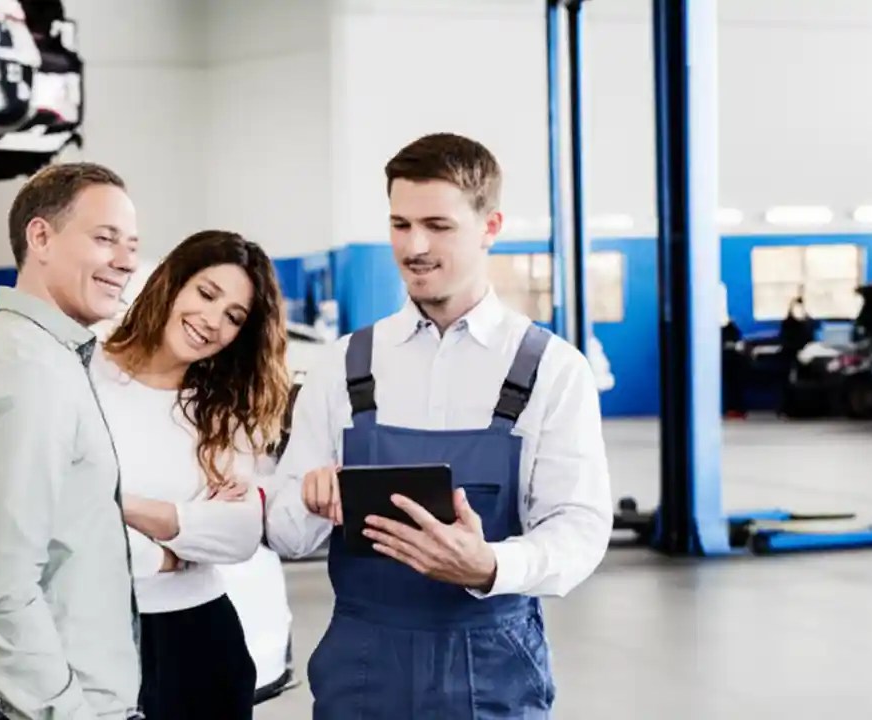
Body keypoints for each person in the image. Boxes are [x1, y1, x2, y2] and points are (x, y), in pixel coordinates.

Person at [263, 132, 614, 718]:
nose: (415, 246)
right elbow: (288, 533)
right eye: (400, 225)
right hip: (363, 663)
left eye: (438, 225)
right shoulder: (346, 364)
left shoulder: (552, 369)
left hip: (492, 660)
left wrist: (492, 565)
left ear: (490, 225)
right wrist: (307, 496)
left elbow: (580, 527)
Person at [0, 162, 144, 720]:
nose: (126, 260)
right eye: (105, 239)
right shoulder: (28, 370)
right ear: (40, 237)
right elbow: (0, 589)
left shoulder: (48, 356)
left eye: (131, 245)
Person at [90, 230, 291, 719]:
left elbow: (240, 535)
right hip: (98, 634)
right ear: (172, 282)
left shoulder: (222, 411)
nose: (211, 322)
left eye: (234, 318)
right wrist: (170, 552)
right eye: (206, 293)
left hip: (201, 642)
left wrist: (122, 505)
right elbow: (61, 520)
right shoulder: (85, 373)